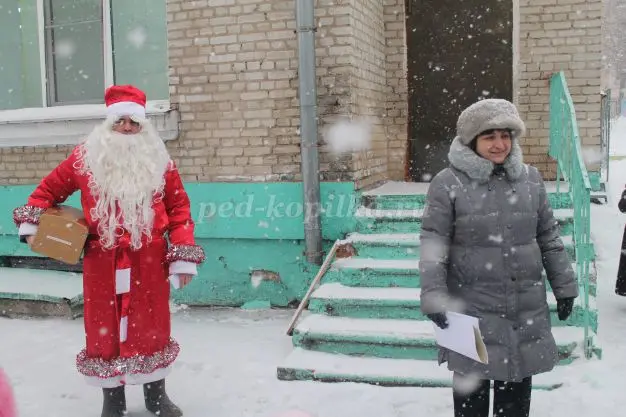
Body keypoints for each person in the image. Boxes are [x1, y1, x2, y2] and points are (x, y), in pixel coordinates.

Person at [12, 85, 205, 417]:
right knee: (104, 330)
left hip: (149, 259)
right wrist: (36, 227)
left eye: (134, 122)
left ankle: (156, 397)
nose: (128, 128)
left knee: (152, 327)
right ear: (108, 123)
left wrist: (182, 256)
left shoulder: (161, 162)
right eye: (120, 121)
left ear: (144, 126)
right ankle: (112, 402)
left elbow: (179, 209)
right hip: (102, 261)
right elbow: (46, 191)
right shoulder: (84, 159)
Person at [419, 98, 578, 417]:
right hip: (470, 311)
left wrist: (565, 287)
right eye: (489, 136)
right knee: (471, 400)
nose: (499, 144)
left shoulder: (531, 180)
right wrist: (434, 297)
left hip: (522, 308)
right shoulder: (448, 183)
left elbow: (549, 237)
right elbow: (433, 245)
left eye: (506, 135)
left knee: (515, 401)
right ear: (471, 140)